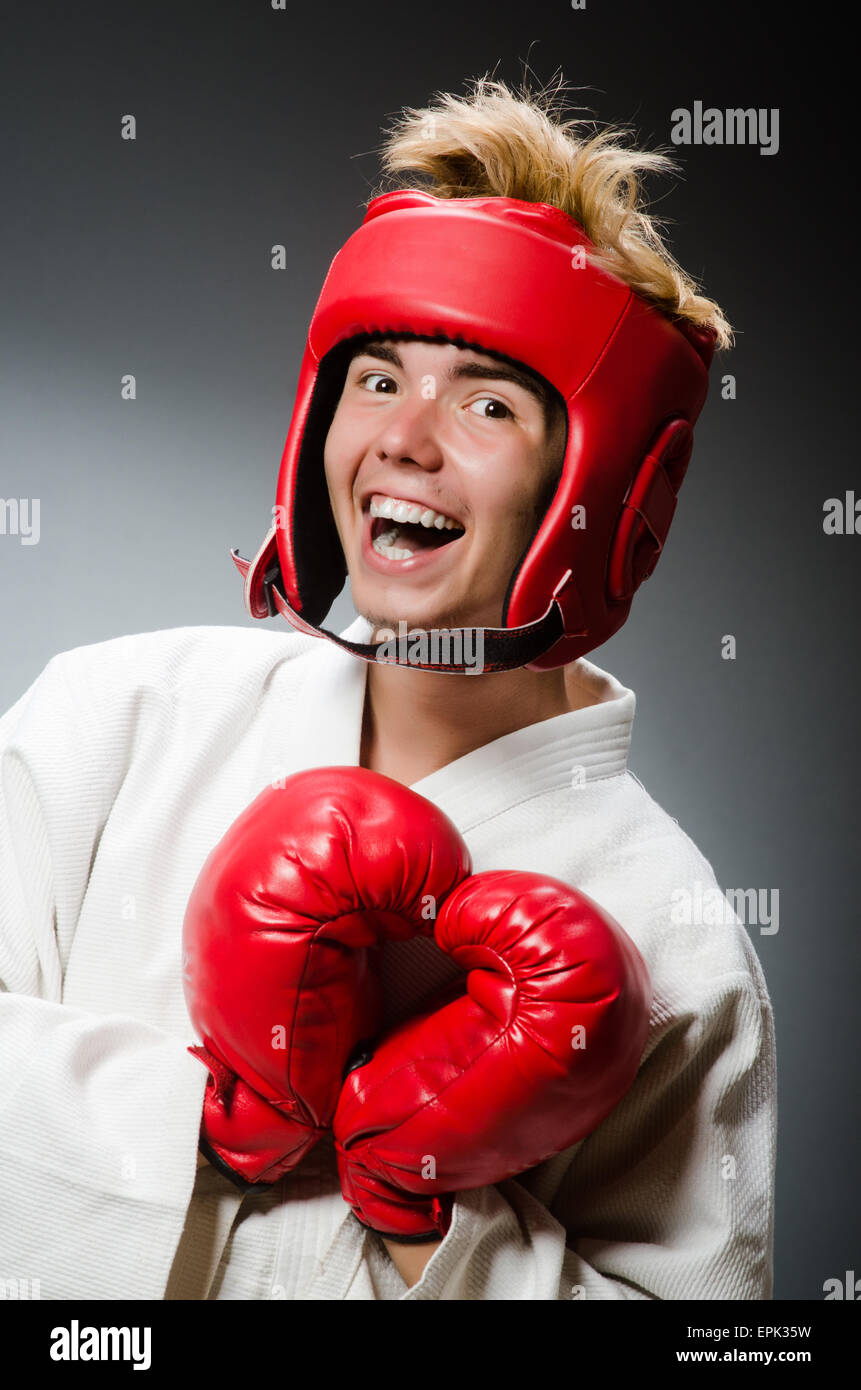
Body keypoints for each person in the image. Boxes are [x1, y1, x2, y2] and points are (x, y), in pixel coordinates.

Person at [0, 74, 776, 1301]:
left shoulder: (677, 939)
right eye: (377, 378)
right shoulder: (115, 716)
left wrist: (427, 1218)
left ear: (602, 493)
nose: (405, 438)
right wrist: (211, 1118)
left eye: (486, 401)